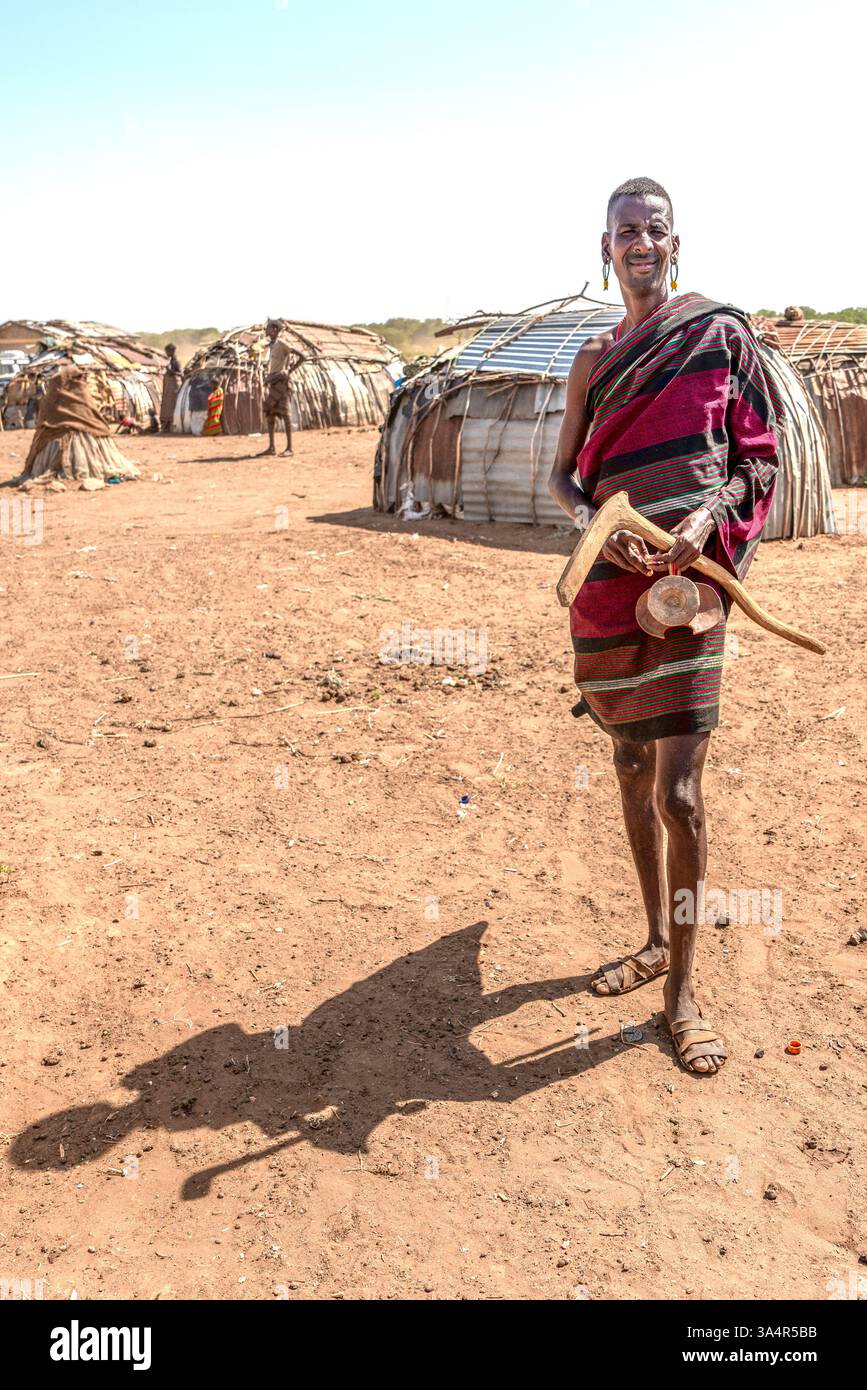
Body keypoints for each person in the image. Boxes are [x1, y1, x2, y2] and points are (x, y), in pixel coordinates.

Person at [548, 177, 781, 1076]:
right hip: (610, 592)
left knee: (679, 794)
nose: (639, 242)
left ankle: (680, 994)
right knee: (627, 763)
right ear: (602, 247)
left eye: (653, 229)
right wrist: (596, 527)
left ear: (675, 242)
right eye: (623, 231)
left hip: (691, 594)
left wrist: (701, 523)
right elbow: (564, 477)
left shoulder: (717, 334)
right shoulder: (591, 363)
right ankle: (652, 939)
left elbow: (754, 456)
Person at [258, 318, 300, 457]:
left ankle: (289, 448)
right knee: (269, 413)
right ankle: (271, 447)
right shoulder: (272, 345)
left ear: (275, 330)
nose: (266, 330)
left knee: (285, 414)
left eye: (269, 328)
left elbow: (301, 356)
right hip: (273, 382)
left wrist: (288, 371)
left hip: (282, 384)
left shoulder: (282, 343)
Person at [160, 342, 182, 432]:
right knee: (167, 405)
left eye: (167, 351)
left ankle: (171, 426)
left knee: (172, 404)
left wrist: (171, 372)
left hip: (174, 387)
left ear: (172, 351)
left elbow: (181, 373)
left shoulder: (176, 361)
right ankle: (166, 426)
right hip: (169, 387)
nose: (166, 353)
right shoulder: (170, 360)